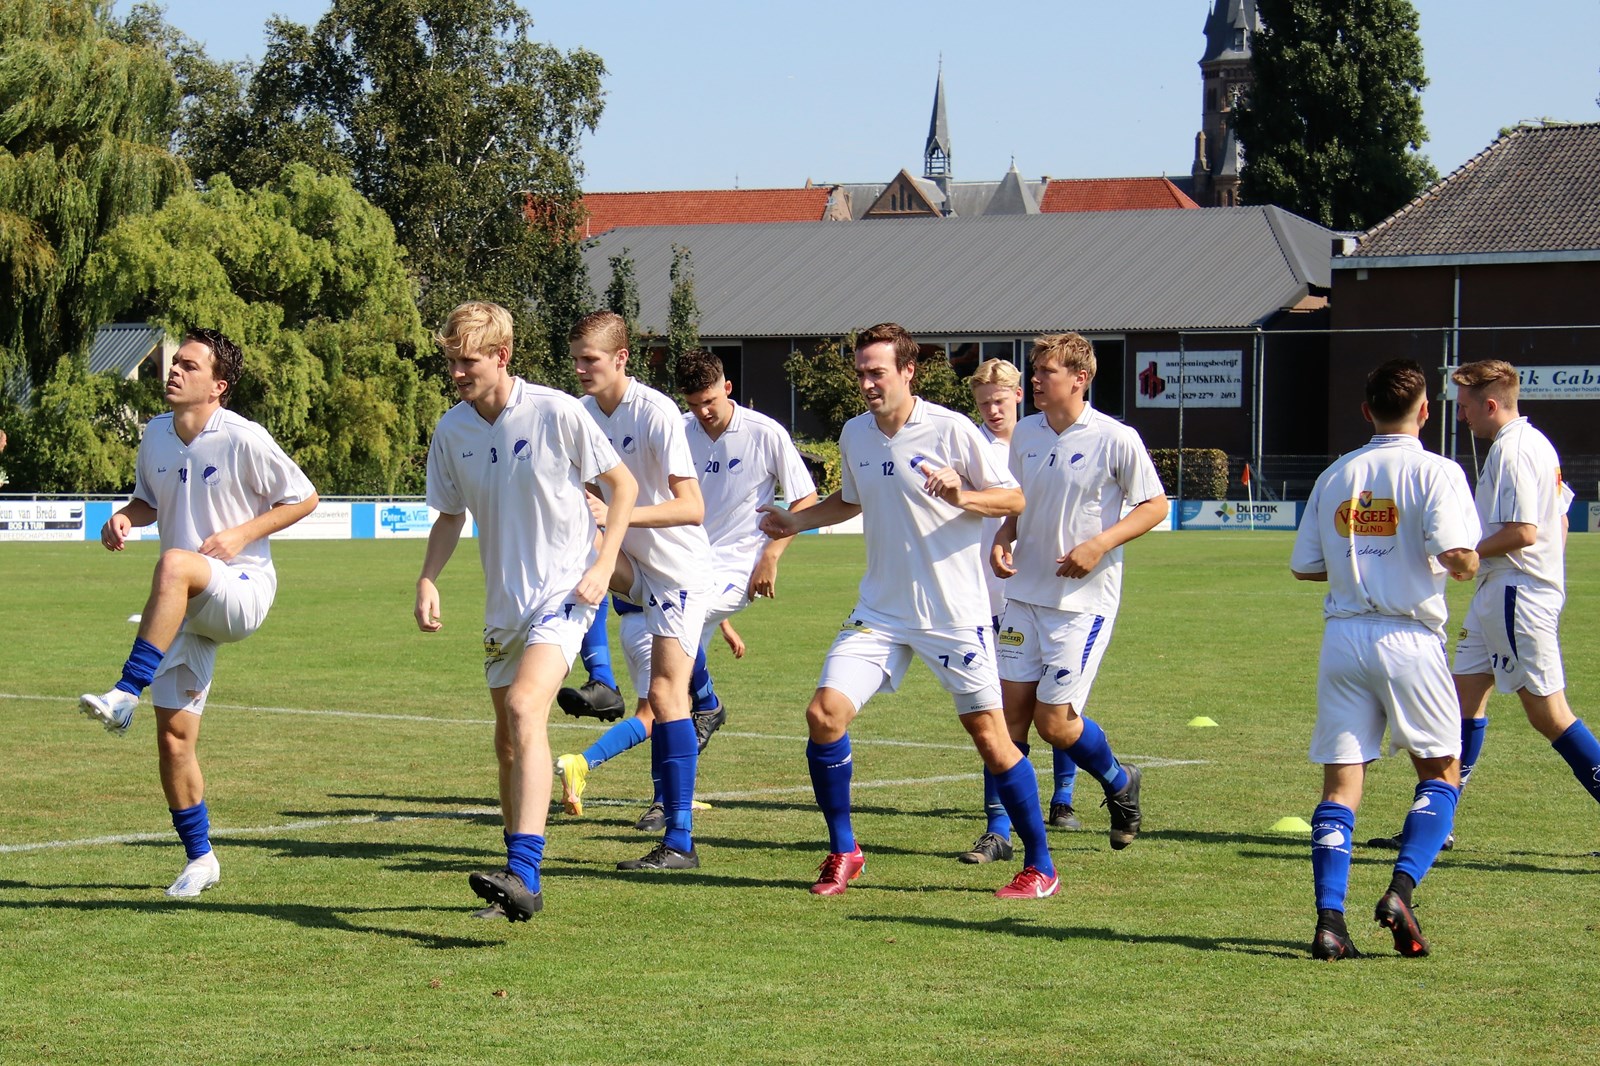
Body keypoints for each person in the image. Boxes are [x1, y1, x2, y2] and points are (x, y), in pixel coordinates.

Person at [759, 322, 1057, 900]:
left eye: (878, 372)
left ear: (907, 372)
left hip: (952, 612)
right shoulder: (855, 434)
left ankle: (1041, 865)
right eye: (861, 371)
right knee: (823, 715)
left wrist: (961, 495)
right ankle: (845, 850)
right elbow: (850, 500)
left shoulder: (951, 430)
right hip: (881, 609)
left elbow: (1016, 497)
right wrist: (797, 520)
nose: (867, 382)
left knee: (992, 740)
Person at [415, 302, 637, 921]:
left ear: (502, 356)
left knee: (523, 709)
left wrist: (602, 565)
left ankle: (524, 874)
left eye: (468, 360)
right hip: (502, 608)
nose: (456, 372)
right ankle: (518, 880)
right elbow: (449, 515)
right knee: (508, 743)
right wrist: (428, 577)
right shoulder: (451, 430)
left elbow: (623, 488)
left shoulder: (556, 412)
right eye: (451, 361)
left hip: (564, 595)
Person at [79, 328, 319, 898]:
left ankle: (123, 692)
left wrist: (242, 533)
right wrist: (125, 518)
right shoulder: (157, 434)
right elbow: (149, 500)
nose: (174, 370)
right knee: (175, 739)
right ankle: (201, 857)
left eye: (189, 365)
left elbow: (305, 497)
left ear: (219, 386)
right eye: (173, 361)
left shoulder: (243, 437)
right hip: (186, 605)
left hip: (242, 590)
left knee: (172, 566)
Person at [555, 349, 817, 828]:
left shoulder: (766, 433)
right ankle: (692, 741)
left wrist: (771, 555)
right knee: (662, 692)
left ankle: (679, 763)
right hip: (679, 566)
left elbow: (805, 498)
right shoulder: (676, 427)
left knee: (663, 686)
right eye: (694, 403)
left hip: (735, 569)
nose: (703, 411)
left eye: (710, 401)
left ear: (727, 389)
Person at [1290, 359, 1481, 960]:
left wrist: (1360, 560)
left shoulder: (1336, 474)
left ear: (1366, 410)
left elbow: (1304, 564)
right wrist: (1456, 561)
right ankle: (1400, 889)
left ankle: (1329, 921)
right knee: (1441, 773)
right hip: (1409, 638)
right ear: (1426, 411)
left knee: (1343, 784)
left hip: (1344, 638)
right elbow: (1460, 557)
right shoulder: (1438, 472)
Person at [1370, 360, 1591, 851]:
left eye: (1467, 407)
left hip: (1515, 592)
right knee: (1457, 706)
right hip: (1503, 592)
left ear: (1490, 405)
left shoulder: (1513, 451)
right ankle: (1433, 825)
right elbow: (1562, 518)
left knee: (1550, 715)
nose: (1461, 417)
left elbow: (1523, 532)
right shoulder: (1535, 443)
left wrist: (1466, 554)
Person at [989, 333, 1165, 868]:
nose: (1035, 380)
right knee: (1002, 720)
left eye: (1045, 371)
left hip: (1081, 604)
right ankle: (998, 833)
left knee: (1056, 725)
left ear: (1079, 378)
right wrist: (1004, 535)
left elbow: (1154, 505)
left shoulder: (1116, 438)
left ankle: (1119, 779)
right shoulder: (1025, 434)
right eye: (1034, 370)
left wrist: (1098, 544)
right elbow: (1019, 500)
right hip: (1023, 595)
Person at [568, 311, 715, 871]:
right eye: (577, 358)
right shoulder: (579, 413)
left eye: (592, 360)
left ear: (621, 359)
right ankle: (595, 680)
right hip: (631, 565)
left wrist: (617, 517)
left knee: (666, 695)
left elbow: (692, 507)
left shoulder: (653, 412)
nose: (581, 369)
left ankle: (680, 841)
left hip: (676, 568)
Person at [961, 357, 1085, 868]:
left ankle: (1064, 797)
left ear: (1018, 395)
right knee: (1000, 713)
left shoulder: (1042, 440)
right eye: (983, 401)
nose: (991, 410)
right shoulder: (973, 446)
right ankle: (998, 826)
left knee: (1053, 704)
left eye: (999, 399)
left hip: (1048, 595)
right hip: (988, 596)